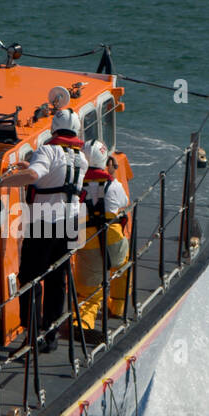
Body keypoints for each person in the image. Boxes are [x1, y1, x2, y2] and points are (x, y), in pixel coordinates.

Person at [0, 106, 86, 353]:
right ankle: (51, 334)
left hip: (44, 223)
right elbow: (57, 177)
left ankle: (31, 335)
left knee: (30, 278)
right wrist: (34, 164)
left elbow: (32, 176)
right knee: (58, 279)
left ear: (53, 129)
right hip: (70, 224)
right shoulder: (81, 157)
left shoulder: (48, 150)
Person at [75, 141, 129, 336]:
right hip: (112, 236)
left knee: (88, 286)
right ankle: (118, 307)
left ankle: (82, 323)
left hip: (87, 239)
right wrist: (112, 174)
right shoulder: (113, 185)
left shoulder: (76, 184)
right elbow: (124, 202)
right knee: (121, 267)